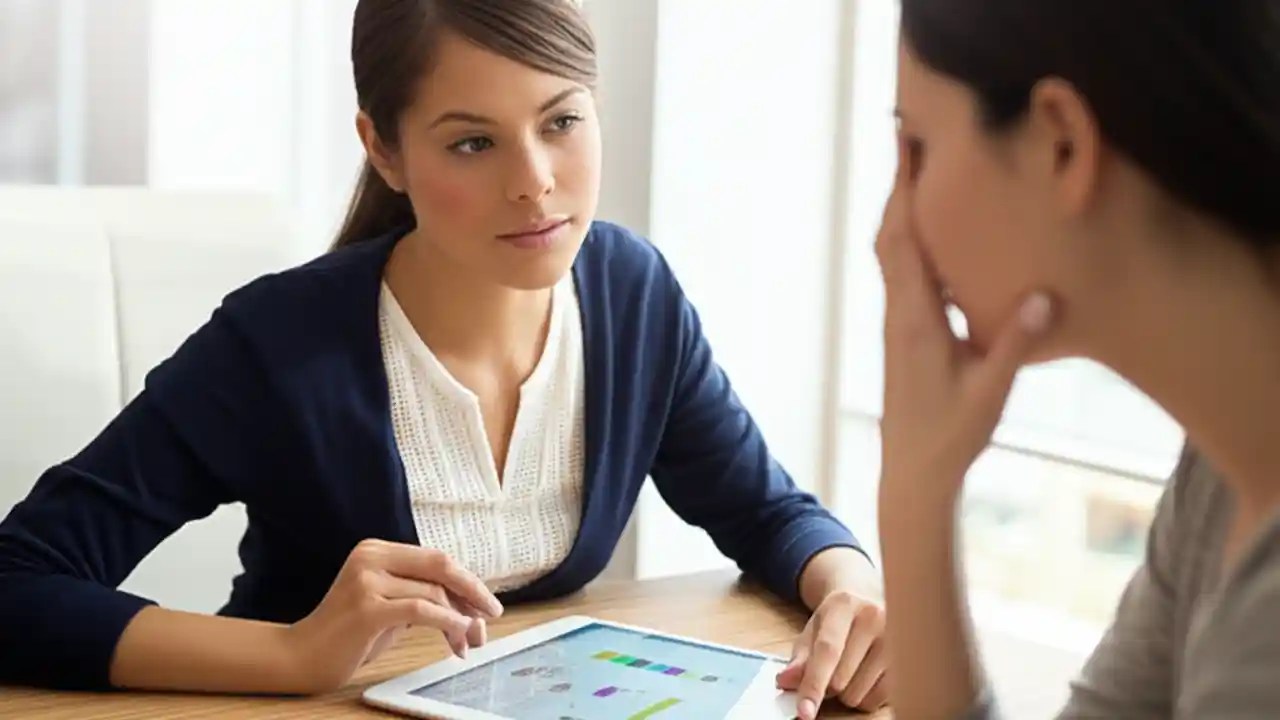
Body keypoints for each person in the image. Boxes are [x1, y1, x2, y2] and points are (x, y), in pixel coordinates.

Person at [0, 1, 886, 716]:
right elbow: (16, 583)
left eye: (561, 121)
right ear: (384, 149)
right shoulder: (276, 343)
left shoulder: (633, 295)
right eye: (473, 142)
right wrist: (296, 653)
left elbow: (765, 512)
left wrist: (853, 587)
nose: (534, 180)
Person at [875, 0, 1280, 717]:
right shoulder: (1223, 478)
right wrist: (916, 496)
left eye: (918, 149)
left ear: (1060, 143)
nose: (890, 231)